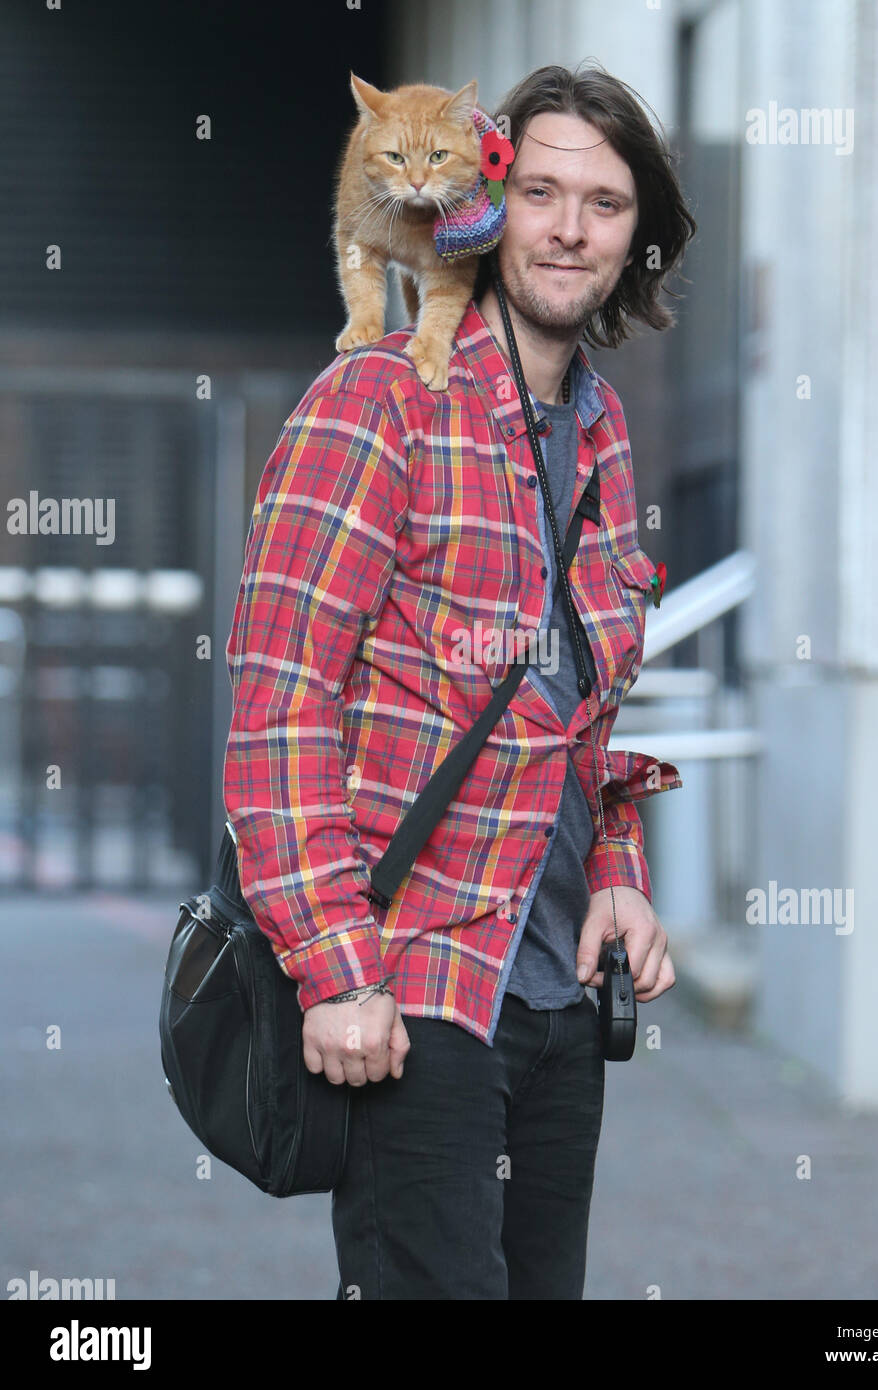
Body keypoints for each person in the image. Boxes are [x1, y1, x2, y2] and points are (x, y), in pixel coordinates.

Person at [223, 61, 696, 1300]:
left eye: (601, 202)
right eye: (540, 190)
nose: (568, 227)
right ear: (487, 204)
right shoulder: (374, 403)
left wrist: (616, 874)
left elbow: (582, 719)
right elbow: (279, 710)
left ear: (634, 235)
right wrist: (335, 967)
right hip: (414, 994)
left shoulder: (597, 430)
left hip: (555, 1004)